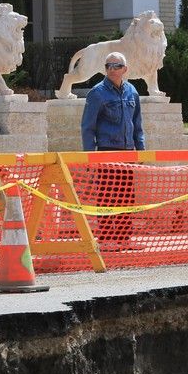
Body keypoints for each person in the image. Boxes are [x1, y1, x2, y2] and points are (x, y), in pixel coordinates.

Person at [80, 52, 144, 250]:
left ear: (125, 69)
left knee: (127, 196)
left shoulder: (132, 91)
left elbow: (137, 124)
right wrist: (90, 156)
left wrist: (140, 150)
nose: (112, 69)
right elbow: (87, 127)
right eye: (108, 65)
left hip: (128, 152)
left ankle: (124, 238)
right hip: (106, 151)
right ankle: (106, 238)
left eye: (116, 66)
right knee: (107, 196)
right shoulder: (97, 93)